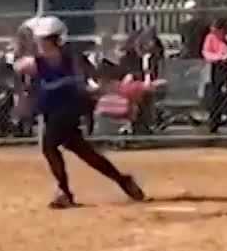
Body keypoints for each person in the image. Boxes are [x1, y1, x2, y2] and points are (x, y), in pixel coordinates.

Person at [15, 16, 145, 209]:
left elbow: (95, 78)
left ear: (57, 40)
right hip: (53, 111)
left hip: (69, 108)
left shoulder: (72, 59)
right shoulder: (37, 62)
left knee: (49, 146)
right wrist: (24, 43)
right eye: (40, 40)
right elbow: (19, 66)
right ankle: (122, 180)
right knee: (84, 151)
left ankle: (64, 192)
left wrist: (100, 87)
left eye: (45, 40)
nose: (41, 44)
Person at [202, 17, 227, 132]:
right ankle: (214, 121)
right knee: (215, 93)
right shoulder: (210, 37)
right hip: (218, 67)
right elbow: (206, 53)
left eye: (217, 31)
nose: (214, 33)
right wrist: (220, 57)